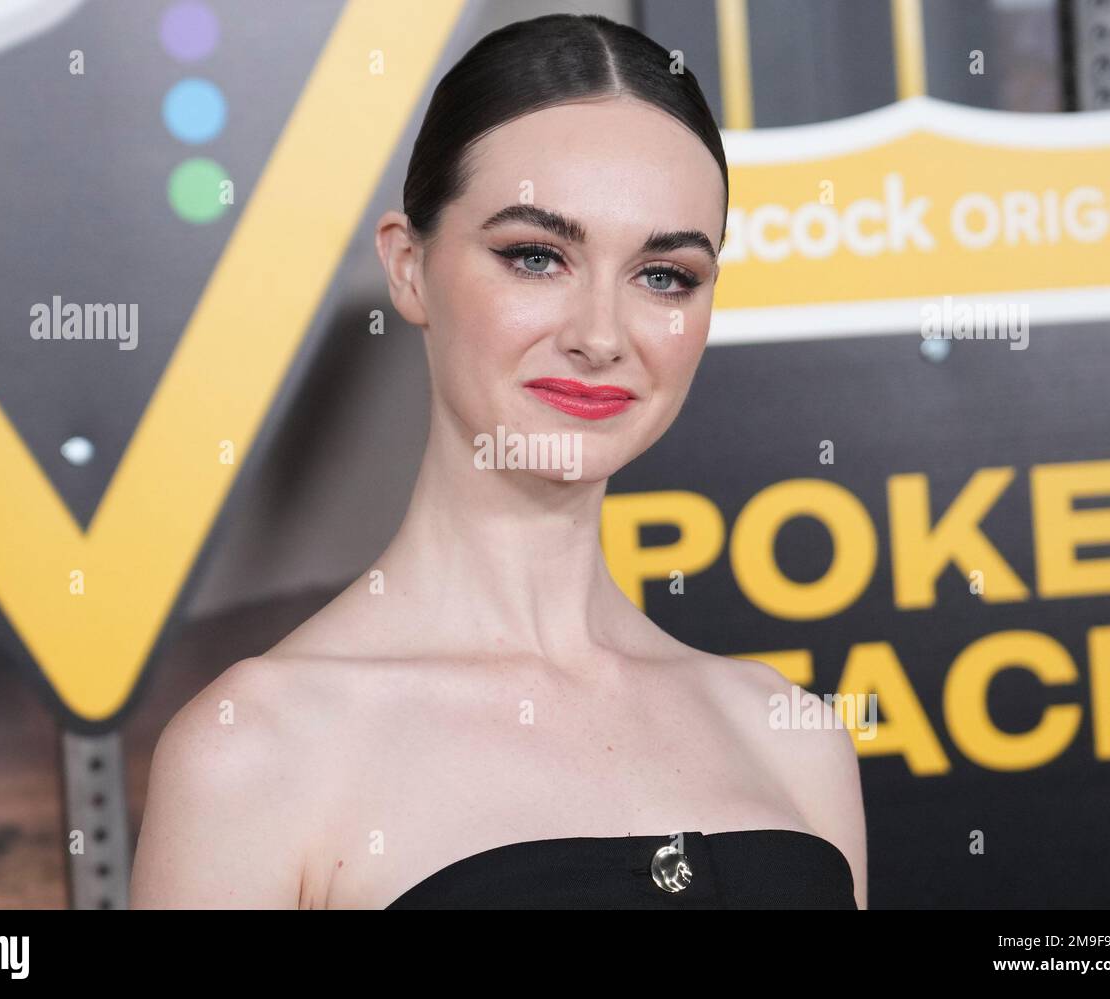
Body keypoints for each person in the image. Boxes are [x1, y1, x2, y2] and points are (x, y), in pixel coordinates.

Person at [130, 11, 867, 910]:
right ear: (408, 268)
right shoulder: (254, 749)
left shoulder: (791, 736)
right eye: (535, 256)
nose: (601, 336)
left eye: (664, 274)